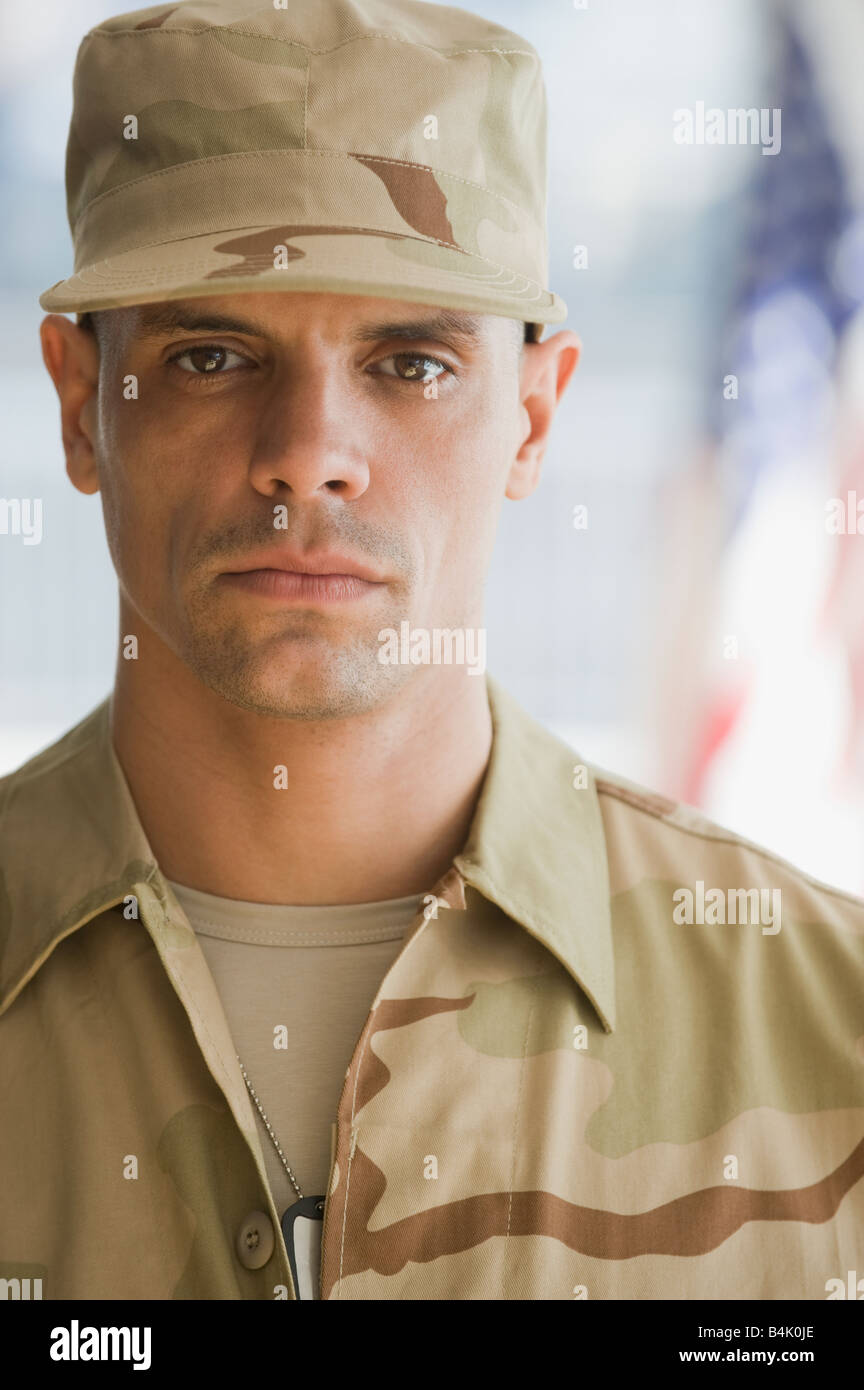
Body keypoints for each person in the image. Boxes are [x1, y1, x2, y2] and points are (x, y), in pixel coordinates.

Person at [1, 0, 862, 1304]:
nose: (310, 448)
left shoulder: (831, 1031)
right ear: (82, 403)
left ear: (532, 414)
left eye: (409, 362)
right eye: (214, 353)